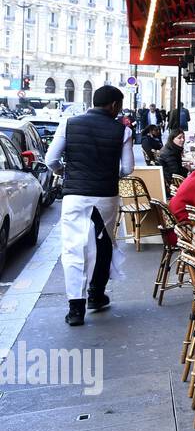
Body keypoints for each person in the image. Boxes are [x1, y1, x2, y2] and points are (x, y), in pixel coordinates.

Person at [44, 85, 134, 326]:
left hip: (75, 195)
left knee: (73, 248)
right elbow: (127, 169)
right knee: (103, 243)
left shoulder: (69, 123)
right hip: (106, 195)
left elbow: (50, 159)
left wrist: (66, 172)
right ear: (114, 105)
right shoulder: (122, 131)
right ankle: (96, 294)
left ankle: (75, 308)